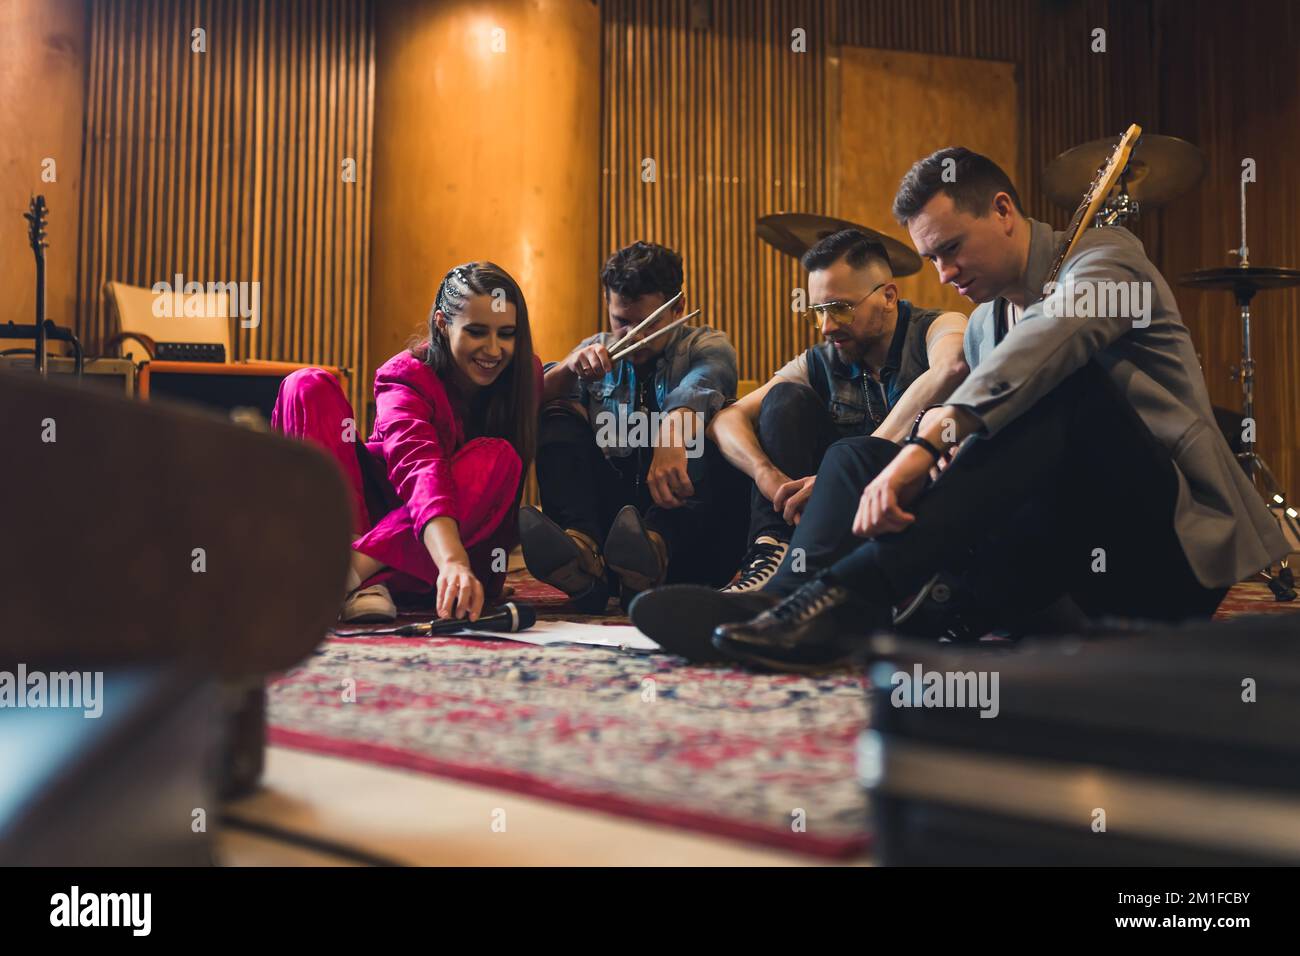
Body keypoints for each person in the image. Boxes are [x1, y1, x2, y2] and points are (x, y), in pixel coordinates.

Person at [632, 147, 1290, 669]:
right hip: (1057, 577)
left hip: (1162, 562)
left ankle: (854, 600)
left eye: (950, 248)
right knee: (857, 454)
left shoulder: (1107, 260)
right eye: (929, 258)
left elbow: (1049, 342)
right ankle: (789, 600)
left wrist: (928, 445)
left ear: (1004, 210)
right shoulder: (983, 325)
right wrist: (913, 456)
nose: (942, 273)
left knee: (1060, 388)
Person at [272, 261, 541, 624]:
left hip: (434, 564)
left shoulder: (522, 377)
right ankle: (352, 569)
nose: (493, 350)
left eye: (506, 334)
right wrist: (453, 561)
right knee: (305, 384)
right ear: (443, 325)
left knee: (500, 458)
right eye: (477, 331)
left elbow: (549, 382)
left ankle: (354, 572)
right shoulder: (404, 376)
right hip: (421, 544)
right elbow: (420, 468)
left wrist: (574, 368)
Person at [707, 228, 967, 592]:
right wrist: (767, 475)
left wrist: (842, 473)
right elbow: (725, 420)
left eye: (841, 309)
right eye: (819, 312)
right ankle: (770, 559)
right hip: (835, 527)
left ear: (889, 296)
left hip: (912, 512)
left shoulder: (937, 328)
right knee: (783, 398)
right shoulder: (822, 360)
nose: (827, 327)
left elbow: (953, 366)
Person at [522, 240, 746, 612]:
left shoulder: (707, 345)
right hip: (612, 536)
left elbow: (701, 387)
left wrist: (672, 436)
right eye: (620, 321)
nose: (632, 337)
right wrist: (567, 369)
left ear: (679, 308)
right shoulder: (596, 349)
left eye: (648, 323)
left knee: (717, 425)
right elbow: (527, 400)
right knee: (556, 415)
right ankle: (583, 552)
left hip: (690, 544)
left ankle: (651, 552)